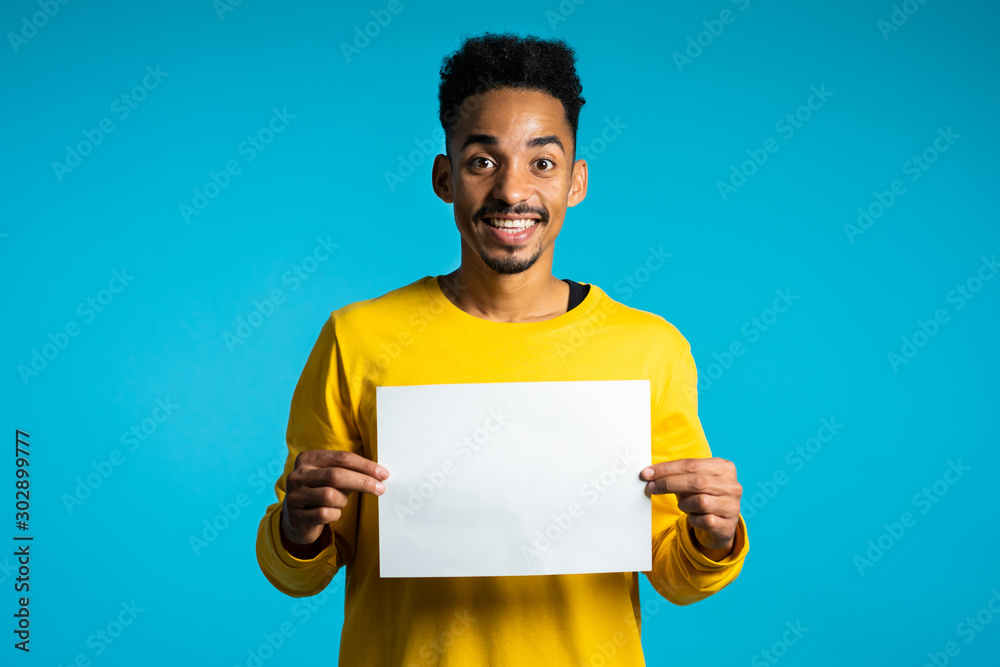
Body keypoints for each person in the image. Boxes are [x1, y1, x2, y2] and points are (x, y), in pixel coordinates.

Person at [255, 31, 749, 665]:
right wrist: (297, 530)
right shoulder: (359, 337)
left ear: (575, 181)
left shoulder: (649, 348)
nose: (513, 192)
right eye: (483, 161)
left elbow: (677, 577)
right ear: (445, 176)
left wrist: (717, 536)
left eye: (542, 163)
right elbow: (300, 573)